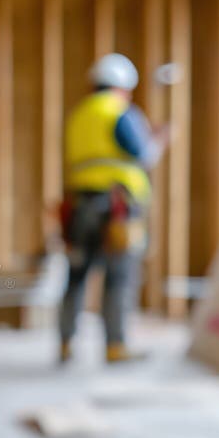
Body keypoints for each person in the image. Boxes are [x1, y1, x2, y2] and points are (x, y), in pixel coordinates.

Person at [59, 53, 170, 364]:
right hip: (117, 207)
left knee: (77, 274)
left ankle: (65, 342)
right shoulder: (121, 112)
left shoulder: (79, 114)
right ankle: (115, 346)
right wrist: (158, 139)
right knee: (119, 276)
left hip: (81, 205)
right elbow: (144, 154)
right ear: (124, 87)